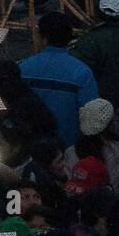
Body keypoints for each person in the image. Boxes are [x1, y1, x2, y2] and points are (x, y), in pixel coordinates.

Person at [18, 11, 98, 148]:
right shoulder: (81, 72)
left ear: (43, 38)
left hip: (30, 148)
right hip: (69, 150)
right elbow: (92, 116)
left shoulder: (23, 69)